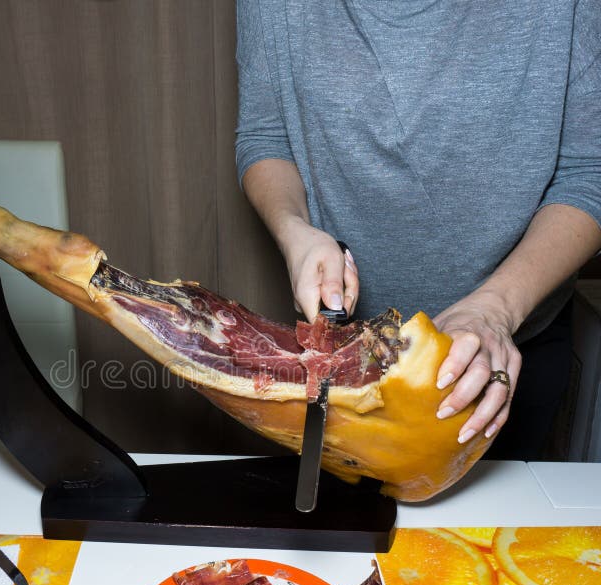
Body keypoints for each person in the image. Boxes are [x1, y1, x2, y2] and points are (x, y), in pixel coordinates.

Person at [235, 0, 601, 460]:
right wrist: (295, 231)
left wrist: (496, 309)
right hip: (342, 350)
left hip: (508, 346)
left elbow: (589, 172)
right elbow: (265, 136)